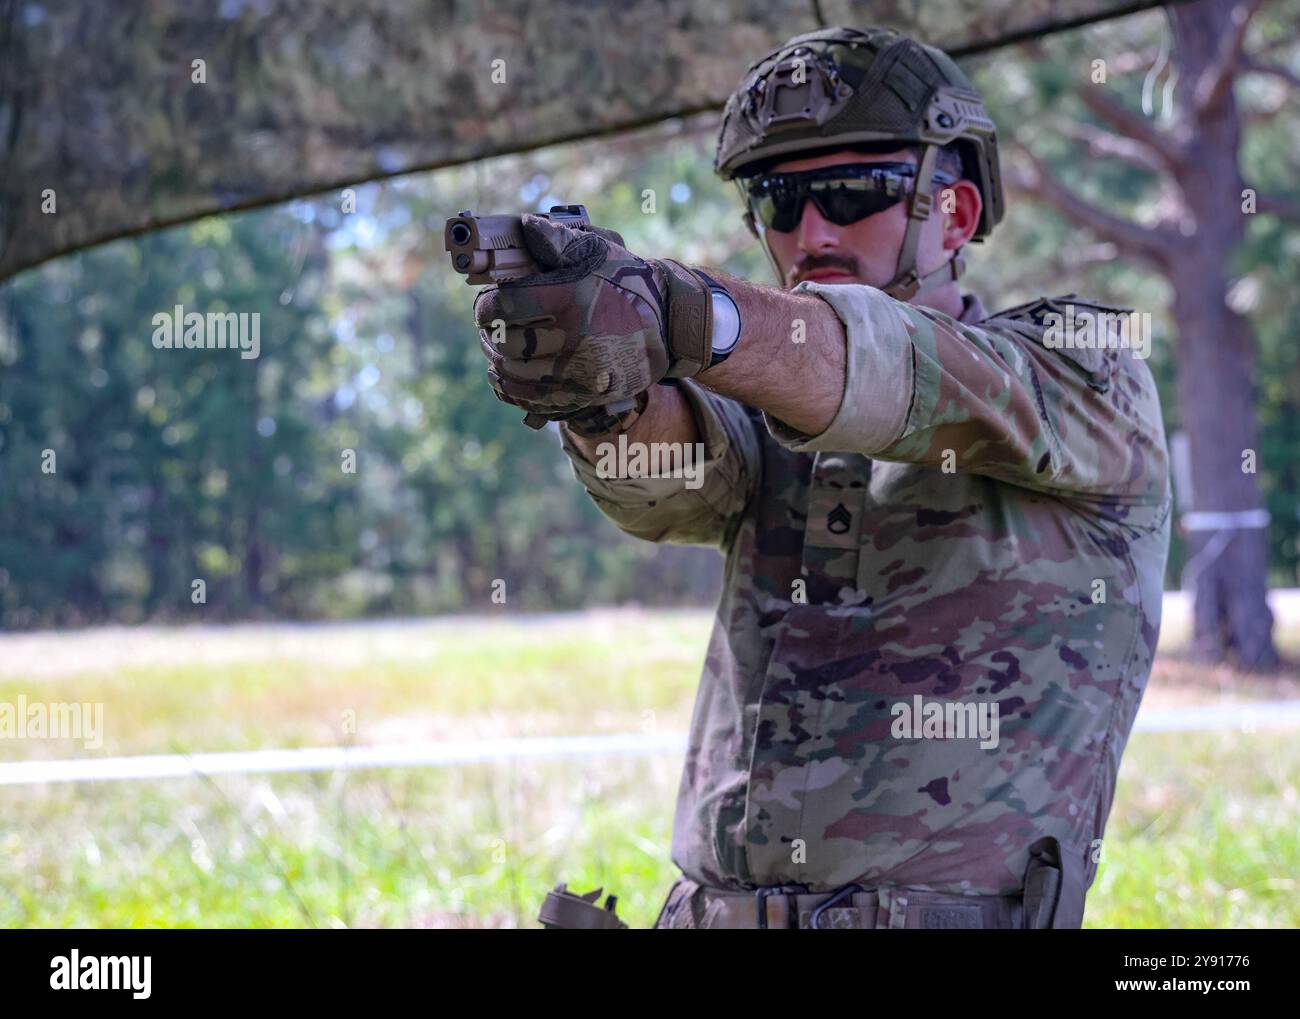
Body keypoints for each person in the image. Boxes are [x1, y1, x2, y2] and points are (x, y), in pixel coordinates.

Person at [473, 25, 1171, 929]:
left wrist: (687, 315)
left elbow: (885, 361)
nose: (810, 231)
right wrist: (602, 387)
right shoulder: (769, 401)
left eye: (851, 192)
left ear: (954, 215)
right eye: (778, 198)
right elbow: (674, 477)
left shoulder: (1086, 370)